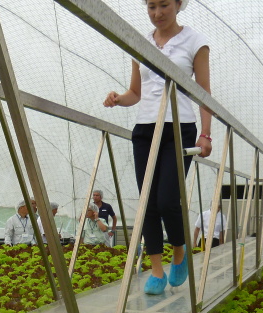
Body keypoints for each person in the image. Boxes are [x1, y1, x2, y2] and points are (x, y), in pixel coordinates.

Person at [104, 0, 212, 294]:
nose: (157, 13)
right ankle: (156, 269)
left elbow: (203, 91)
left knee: (167, 200)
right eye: (151, 6)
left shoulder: (195, 42)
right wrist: (118, 98)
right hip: (145, 129)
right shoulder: (139, 43)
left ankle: (179, 251)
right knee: (147, 203)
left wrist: (206, 134)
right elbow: (136, 93)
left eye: (164, 5)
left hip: (180, 127)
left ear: (178, 5)